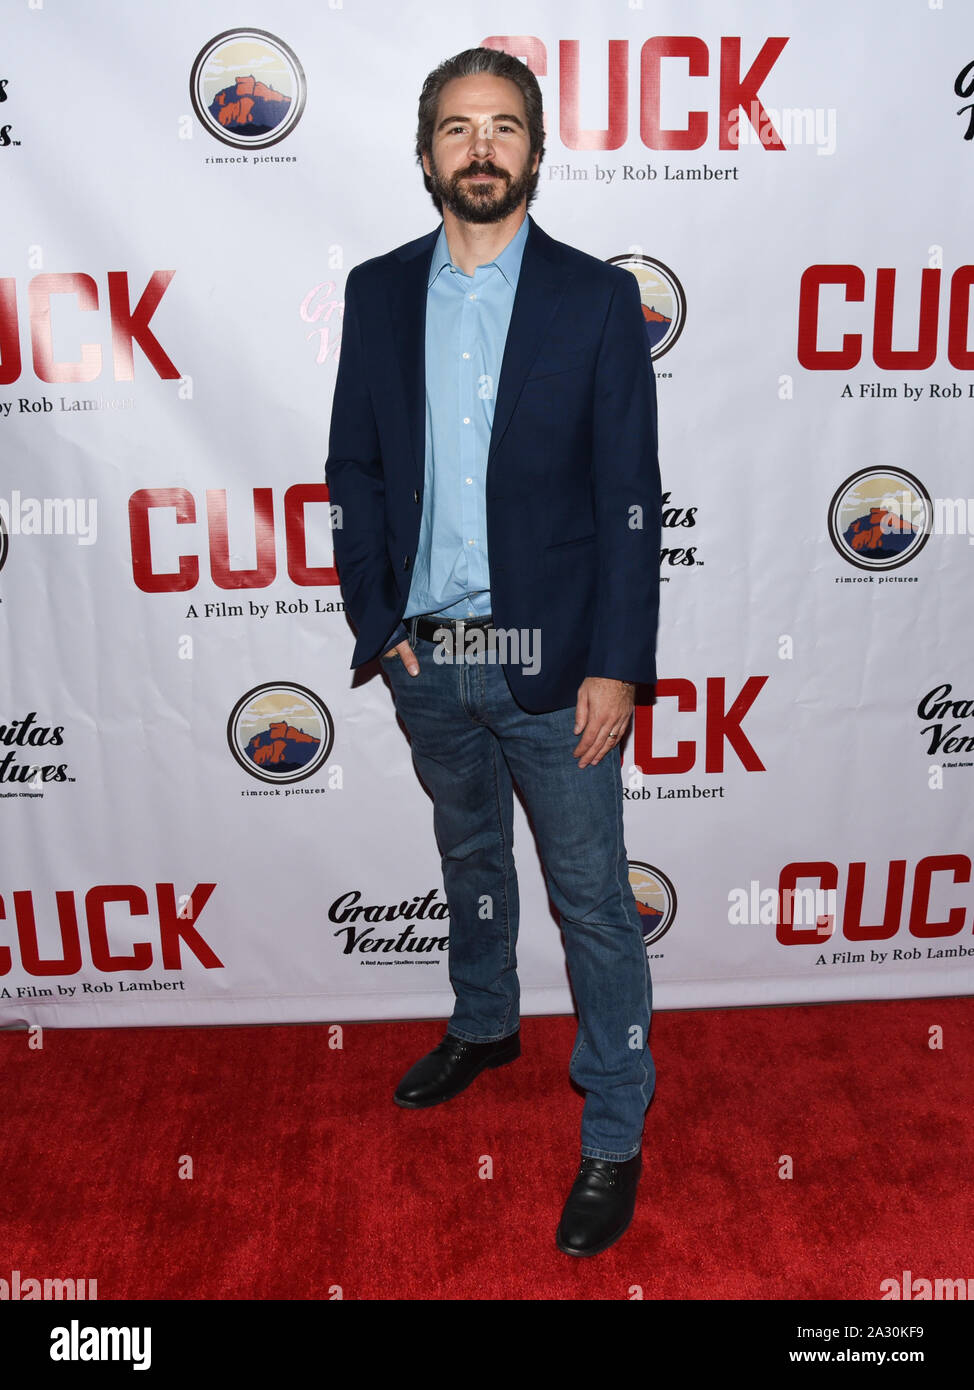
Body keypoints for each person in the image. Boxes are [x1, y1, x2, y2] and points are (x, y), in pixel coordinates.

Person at [325, 46, 662, 1257]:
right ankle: (484, 1020)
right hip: (427, 660)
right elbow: (352, 473)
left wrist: (616, 662)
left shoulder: (591, 300)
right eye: (458, 128)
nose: (481, 147)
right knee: (468, 856)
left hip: (554, 661)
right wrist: (378, 627)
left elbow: (630, 496)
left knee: (591, 904)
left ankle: (614, 1127)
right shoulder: (375, 292)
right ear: (426, 155)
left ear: (534, 150)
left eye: (503, 126)